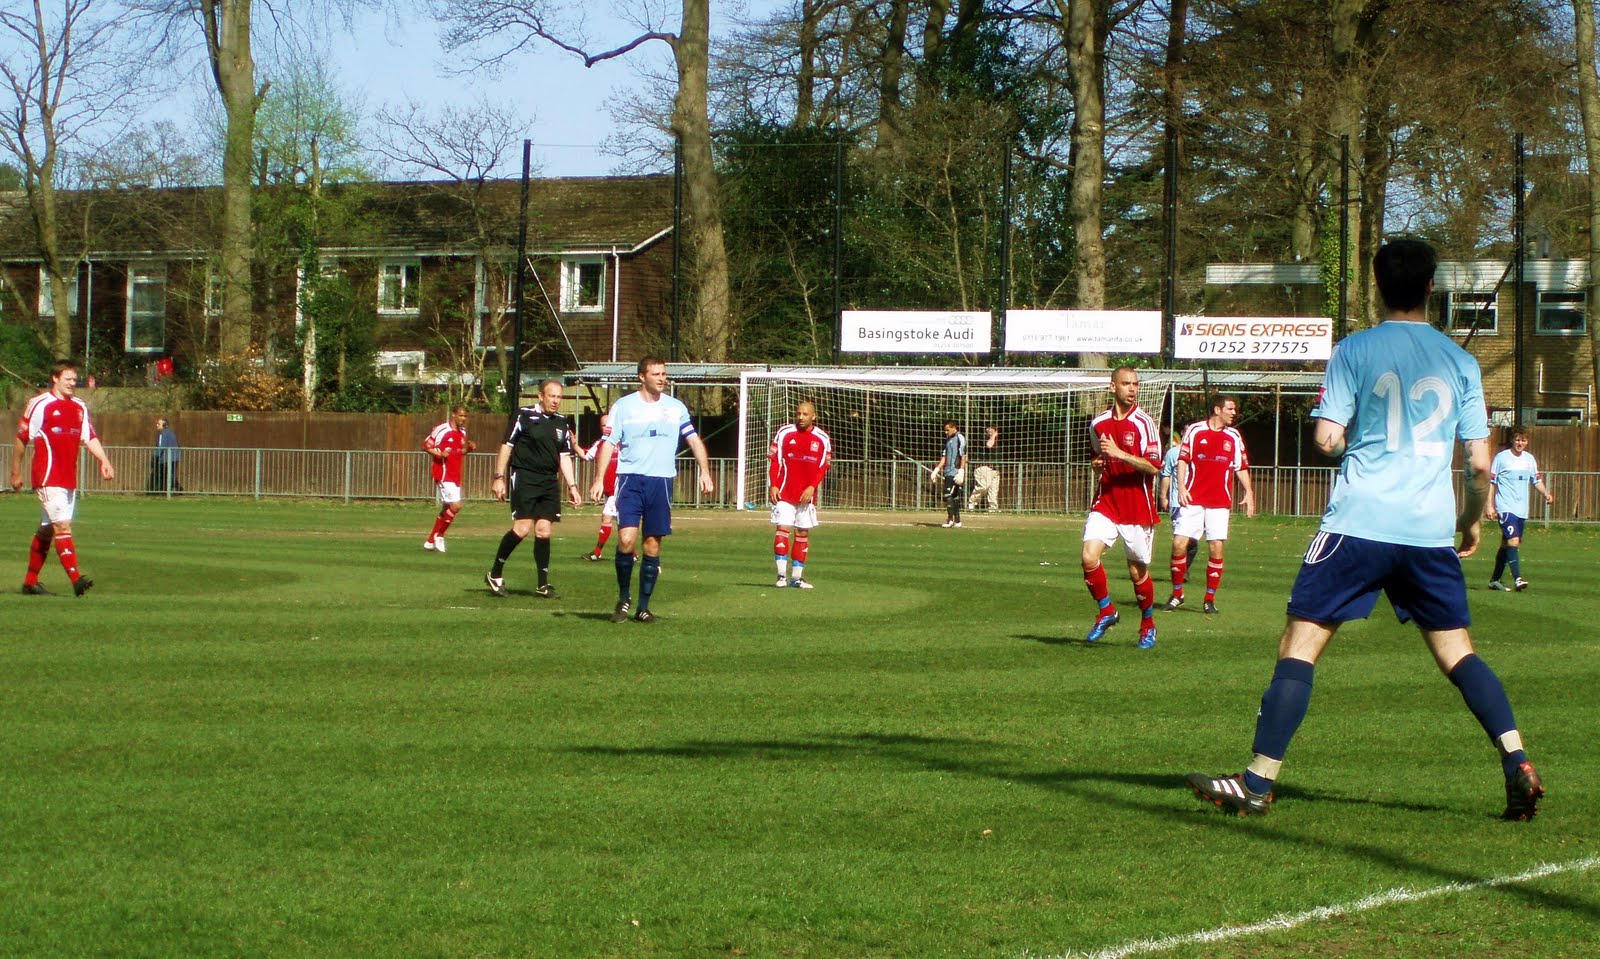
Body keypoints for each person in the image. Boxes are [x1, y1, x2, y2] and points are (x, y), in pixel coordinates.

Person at [1186, 238, 1543, 821]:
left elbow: (1327, 438)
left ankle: (1257, 781)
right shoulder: (1462, 362)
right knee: (1459, 655)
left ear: (1378, 286)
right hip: (1428, 533)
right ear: (1432, 288)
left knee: (1300, 645)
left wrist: (1359, 443)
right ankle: (1516, 758)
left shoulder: (1354, 350)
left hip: (1358, 523)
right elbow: (1480, 467)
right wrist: (1469, 522)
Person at [589, 357, 714, 623]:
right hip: (630, 480)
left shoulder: (675, 407)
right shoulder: (623, 406)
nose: (661, 378)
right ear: (641, 377)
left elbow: (693, 438)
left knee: (652, 545)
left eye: (664, 373)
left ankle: (643, 607)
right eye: (656, 373)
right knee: (625, 541)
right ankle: (624, 599)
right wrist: (599, 479)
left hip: (661, 482)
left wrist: (704, 470)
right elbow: (609, 443)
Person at [10, 360, 115, 596]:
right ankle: (76, 579)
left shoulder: (79, 407)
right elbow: (22, 439)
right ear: (54, 378)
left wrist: (104, 460)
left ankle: (30, 582)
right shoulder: (39, 404)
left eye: (74, 379)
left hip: (68, 478)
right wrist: (15, 471)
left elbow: (90, 437)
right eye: (67, 378)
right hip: (47, 476)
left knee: (47, 529)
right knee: (62, 526)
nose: (72, 383)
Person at [1080, 366, 1162, 648]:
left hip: (1137, 507)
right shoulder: (1098, 423)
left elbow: (1152, 466)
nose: (1132, 388)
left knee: (1137, 571)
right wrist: (1097, 464)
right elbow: (1095, 457)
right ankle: (1106, 610)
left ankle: (1148, 624)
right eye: (1126, 383)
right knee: (1089, 557)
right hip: (1106, 501)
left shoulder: (1144, 423)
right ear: (1112, 387)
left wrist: (1120, 454)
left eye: (1135, 384)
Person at [485, 381, 583, 598]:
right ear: (541, 396)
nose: (556, 401)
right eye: (552, 396)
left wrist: (573, 486)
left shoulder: (562, 423)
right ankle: (495, 573)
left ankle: (543, 584)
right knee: (522, 529)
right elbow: (507, 446)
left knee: (544, 530)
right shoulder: (524, 415)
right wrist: (498, 477)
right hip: (525, 477)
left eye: (559, 397)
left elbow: (564, 457)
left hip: (549, 481)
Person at [1163, 394, 1257, 614]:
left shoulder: (1233, 436)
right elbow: (1183, 460)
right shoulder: (1195, 431)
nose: (1234, 413)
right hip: (1193, 498)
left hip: (1219, 502)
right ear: (1217, 410)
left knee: (1216, 548)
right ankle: (1177, 594)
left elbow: (1240, 466)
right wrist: (1183, 487)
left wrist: (1249, 492)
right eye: (1230, 409)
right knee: (1179, 544)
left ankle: (1209, 599)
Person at [769, 399, 833, 589]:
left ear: (814, 416)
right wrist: (774, 485)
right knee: (783, 529)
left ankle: (796, 578)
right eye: (798, 413)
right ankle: (781, 576)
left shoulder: (822, 438)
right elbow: (775, 461)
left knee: (802, 532)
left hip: (806, 496)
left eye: (805, 414)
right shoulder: (784, 433)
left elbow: (823, 467)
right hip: (784, 492)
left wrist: (812, 487)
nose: (801, 417)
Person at [1486, 426, 1554, 592]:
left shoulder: (1529, 459)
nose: (1520, 443)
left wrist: (1546, 493)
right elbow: (1491, 483)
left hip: (1521, 509)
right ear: (1512, 440)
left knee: (1506, 545)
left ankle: (1495, 580)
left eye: (1523, 440)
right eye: (1517, 439)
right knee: (1513, 541)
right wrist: (1489, 505)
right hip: (1505, 507)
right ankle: (1518, 579)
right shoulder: (1501, 458)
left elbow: (1535, 480)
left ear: (1527, 441)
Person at [422, 405, 476, 552]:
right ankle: (439, 536)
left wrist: (469, 449)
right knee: (456, 505)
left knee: (447, 508)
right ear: (453, 415)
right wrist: (439, 454)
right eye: (460, 415)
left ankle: (429, 541)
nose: (463, 419)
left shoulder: (462, 432)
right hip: (444, 473)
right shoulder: (442, 430)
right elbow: (426, 445)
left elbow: (459, 452)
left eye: (465, 416)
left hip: (455, 474)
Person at [581, 414, 622, 561]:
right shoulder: (600, 444)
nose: (606, 428)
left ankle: (597, 552)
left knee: (607, 517)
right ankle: (633, 554)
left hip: (619, 488)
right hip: (608, 489)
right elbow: (585, 455)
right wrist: (573, 445)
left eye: (608, 425)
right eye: (603, 425)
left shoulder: (622, 442)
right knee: (620, 521)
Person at [931, 420, 967, 528]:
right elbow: (944, 457)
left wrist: (961, 471)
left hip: (955, 472)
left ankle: (950, 520)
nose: (946, 432)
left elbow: (963, 455)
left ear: (953, 427)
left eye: (947, 430)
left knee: (947, 494)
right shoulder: (947, 440)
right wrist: (937, 469)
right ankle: (957, 521)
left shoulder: (960, 438)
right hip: (947, 471)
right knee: (954, 496)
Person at [966, 425, 1001, 512]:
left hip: (994, 468)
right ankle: (971, 503)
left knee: (993, 489)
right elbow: (989, 445)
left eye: (992, 428)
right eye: (989, 428)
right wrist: (993, 435)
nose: (990, 430)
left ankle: (993, 508)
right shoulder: (983, 437)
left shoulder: (997, 439)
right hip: (984, 467)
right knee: (983, 486)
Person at [146, 416, 181, 494]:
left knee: (167, 474)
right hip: (175, 457)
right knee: (170, 473)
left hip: (166, 458)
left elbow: (161, 446)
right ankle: (174, 488)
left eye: (159, 424)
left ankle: (173, 488)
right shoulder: (172, 433)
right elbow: (178, 444)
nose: (157, 425)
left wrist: (155, 457)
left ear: (164, 425)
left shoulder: (162, 434)